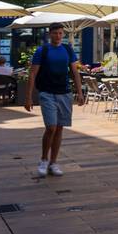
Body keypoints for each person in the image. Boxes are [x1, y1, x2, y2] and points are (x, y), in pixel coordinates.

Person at [24, 23, 84, 178]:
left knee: (60, 128)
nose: (58, 36)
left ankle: (53, 162)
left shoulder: (67, 49)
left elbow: (75, 72)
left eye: (60, 33)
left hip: (64, 93)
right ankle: (44, 159)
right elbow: (32, 74)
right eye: (55, 33)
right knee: (51, 127)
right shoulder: (42, 50)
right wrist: (29, 97)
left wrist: (79, 92)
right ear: (49, 34)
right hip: (47, 93)